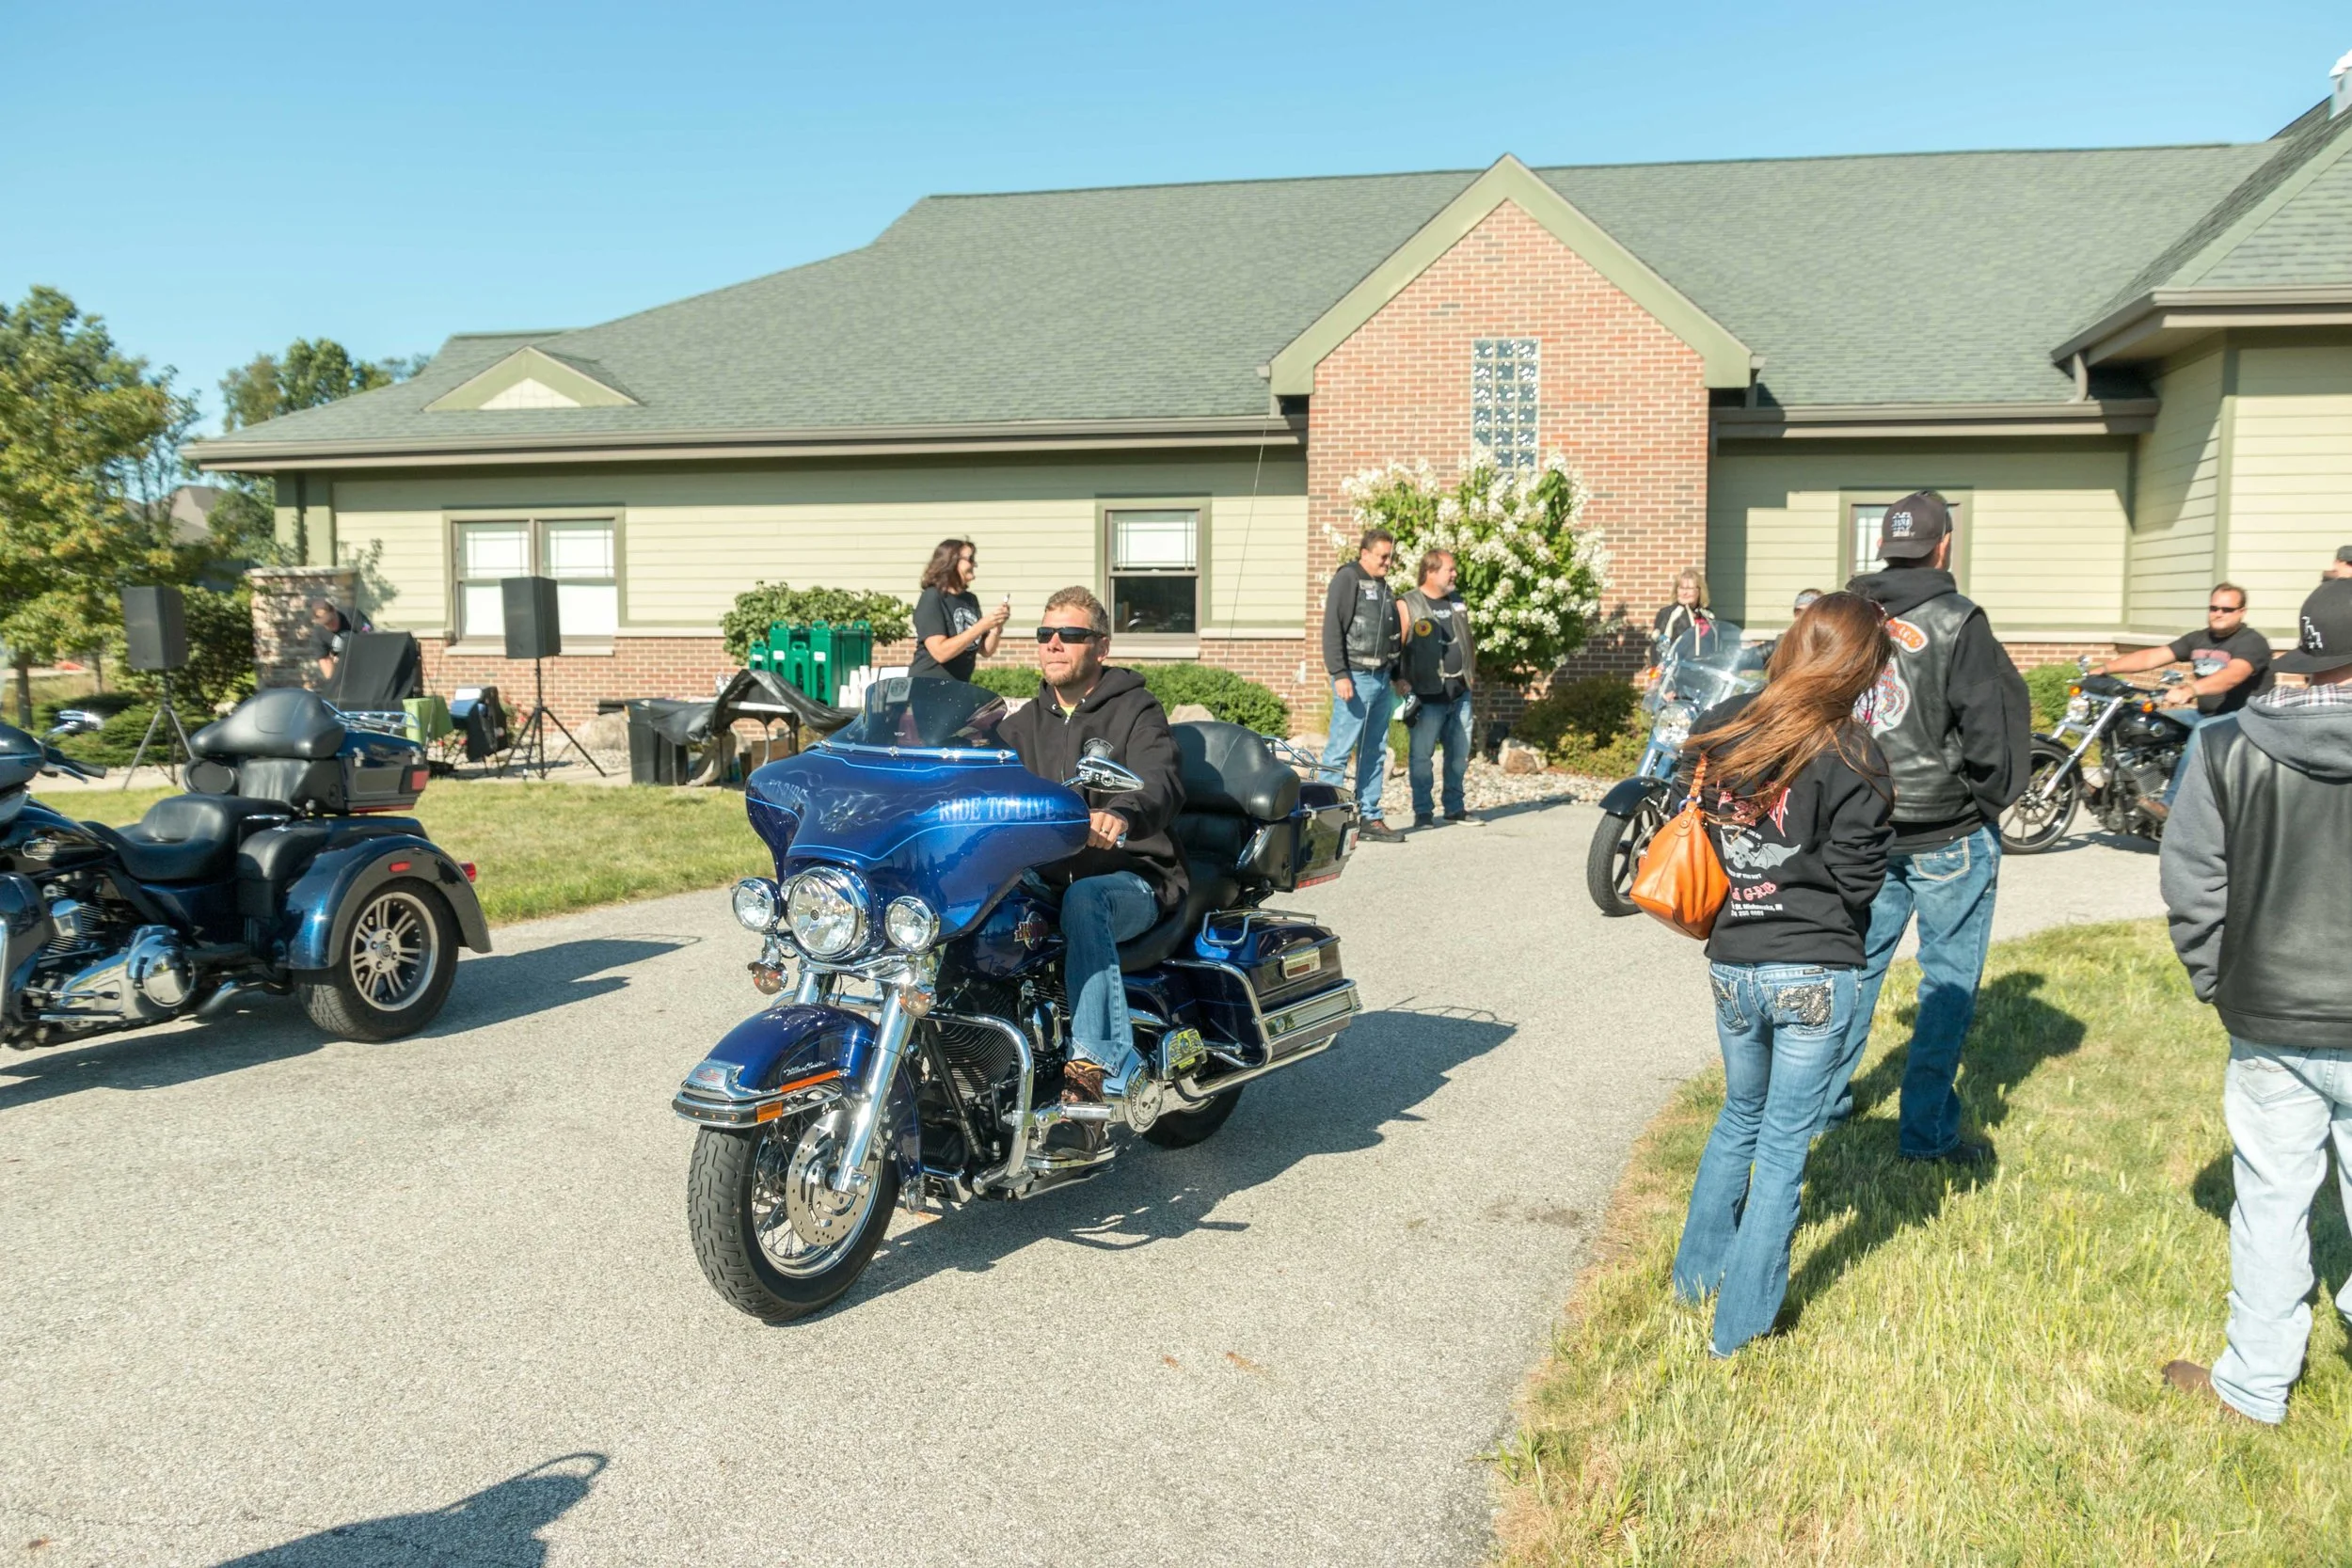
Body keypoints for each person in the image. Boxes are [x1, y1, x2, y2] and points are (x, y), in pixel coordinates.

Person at [1669, 592, 1895, 1356]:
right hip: (1814, 968)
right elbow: (1860, 880)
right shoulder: (1855, 750)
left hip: (1733, 960)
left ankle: (1694, 1283)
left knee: (1739, 1118)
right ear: (1860, 667)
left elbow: (1689, 808)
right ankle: (1740, 1329)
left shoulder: (1723, 722)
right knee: (1784, 1146)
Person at [2156, 578, 2352, 1426]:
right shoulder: (2230, 742)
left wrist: (2217, 976)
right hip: (2271, 1009)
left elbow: (2193, 879)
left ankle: (2254, 1384)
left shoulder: (2226, 743)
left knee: (2271, 1201)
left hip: (2269, 1013)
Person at [1829, 490, 2032, 1164]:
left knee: (1855, 970)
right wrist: (1985, 800)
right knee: (1944, 984)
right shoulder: (1958, 619)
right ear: (1943, 544)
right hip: (1947, 831)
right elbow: (1989, 728)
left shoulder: (1848, 614)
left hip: (1865, 822)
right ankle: (1927, 1135)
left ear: (1885, 544)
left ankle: (1822, 1106)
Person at [995, 586, 1188, 1161]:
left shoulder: (1136, 711)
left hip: (1134, 877)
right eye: (1045, 635)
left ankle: (1089, 1087)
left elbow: (1162, 781)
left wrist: (1120, 815)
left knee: (1085, 904)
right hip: (1047, 876)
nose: (1054, 644)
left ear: (1100, 646)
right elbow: (982, 774)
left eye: (1071, 635)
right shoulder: (1021, 724)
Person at [2093, 582, 2270, 817]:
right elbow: (2152, 657)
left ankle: (2170, 804)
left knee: (2202, 731)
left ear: (2241, 612)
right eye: (2214, 608)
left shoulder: (2252, 642)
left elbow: (2233, 675)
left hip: (2246, 716)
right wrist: (2105, 668)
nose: (2218, 614)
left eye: (2227, 609)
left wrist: (2191, 689)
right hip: (2206, 712)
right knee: (2141, 721)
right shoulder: (2199, 638)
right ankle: (2118, 787)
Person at [1319, 528, 1407, 842]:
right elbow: (1332, 628)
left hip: (1382, 678)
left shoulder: (1384, 587)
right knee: (1339, 751)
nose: (1388, 562)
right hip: (1354, 677)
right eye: (1383, 556)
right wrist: (1339, 673)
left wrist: (1398, 674)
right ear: (1364, 554)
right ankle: (1324, 820)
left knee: (1375, 750)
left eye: (1390, 557)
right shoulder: (1348, 579)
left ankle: (1369, 815)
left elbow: (1392, 633)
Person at [1400, 548, 1477, 830]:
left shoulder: (1456, 601)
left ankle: (1455, 809)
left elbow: (1466, 640)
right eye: (1450, 569)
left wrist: (1470, 674)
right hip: (1427, 695)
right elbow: (1399, 647)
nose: (1455, 573)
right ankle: (1423, 813)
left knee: (1459, 755)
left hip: (1460, 692)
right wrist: (1400, 679)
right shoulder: (1409, 602)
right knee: (1421, 758)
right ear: (1431, 572)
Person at [910, 537, 1009, 683]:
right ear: (951, 561)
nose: (974, 564)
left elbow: (986, 650)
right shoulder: (932, 597)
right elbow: (940, 652)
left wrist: (996, 627)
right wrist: (981, 626)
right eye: (970, 559)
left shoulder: (970, 600)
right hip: (928, 687)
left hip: (959, 687)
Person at [310, 598, 359, 685]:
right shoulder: (318, 633)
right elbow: (324, 661)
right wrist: (334, 685)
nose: (330, 625)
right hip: (344, 671)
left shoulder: (351, 615)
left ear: (334, 610)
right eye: (326, 623)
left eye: (331, 620)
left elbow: (370, 637)